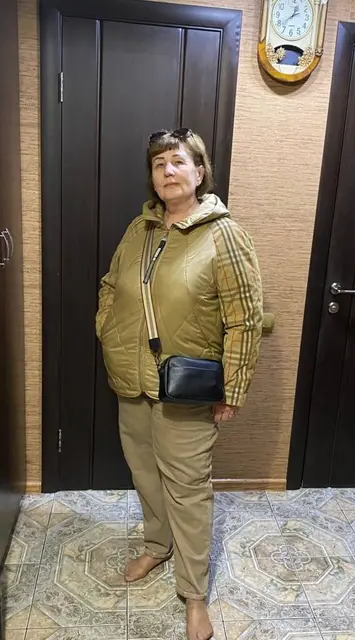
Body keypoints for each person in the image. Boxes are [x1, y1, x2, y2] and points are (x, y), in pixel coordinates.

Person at [96, 128, 263, 640]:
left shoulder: (224, 235)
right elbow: (111, 285)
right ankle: (157, 545)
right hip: (132, 381)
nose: (167, 171)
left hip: (185, 389)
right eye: (158, 164)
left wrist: (232, 390)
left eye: (177, 162)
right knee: (144, 473)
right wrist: (106, 327)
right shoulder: (139, 229)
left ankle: (194, 594)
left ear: (199, 171)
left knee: (188, 491)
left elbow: (245, 319)